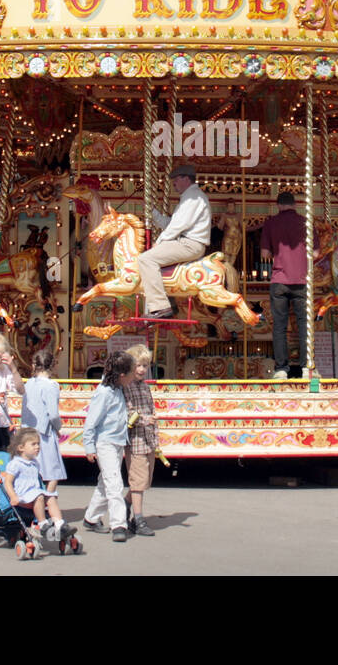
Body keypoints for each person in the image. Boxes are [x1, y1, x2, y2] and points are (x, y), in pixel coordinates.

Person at [139, 164, 211, 320]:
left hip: (189, 244)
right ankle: (168, 302)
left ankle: (160, 307)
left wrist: (160, 241)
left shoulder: (193, 198)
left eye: (176, 180)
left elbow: (179, 226)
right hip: (186, 242)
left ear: (186, 178)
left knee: (146, 259)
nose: (174, 184)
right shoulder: (188, 198)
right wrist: (153, 212)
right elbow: (171, 224)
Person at [82, 351, 136, 542]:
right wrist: (89, 445)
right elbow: (91, 421)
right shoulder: (104, 392)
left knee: (105, 482)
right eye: (131, 372)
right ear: (122, 375)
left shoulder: (118, 388)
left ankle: (91, 517)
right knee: (115, 483)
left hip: (118, 441)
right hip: (105, 442)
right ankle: (118, 524)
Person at [260, 191, 306, 380]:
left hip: (279, 280)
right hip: (302, 281)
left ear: (278, 205)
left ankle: (281, 369)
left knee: (279, 326)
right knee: (304, 325)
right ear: (294, 205)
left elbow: (264, 254)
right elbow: (317, 251)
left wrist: (278, 257)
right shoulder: (305, 222)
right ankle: (305, 367)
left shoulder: (271, 223)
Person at [3, 427, 73, 540]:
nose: (38, 447)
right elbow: (8, 482)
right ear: (21, 448)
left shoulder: (34, 462)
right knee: (40, 496)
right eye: (33, 444)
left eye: (38, 444)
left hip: (34, 494)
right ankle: (42, 524)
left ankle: (59, 523)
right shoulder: (15, 464)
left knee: (51, 497)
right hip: (23, 497)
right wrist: (13, 496)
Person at [21, 349, 67, 512]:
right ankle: (48, 502)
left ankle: (34, 502)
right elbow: (53, 414)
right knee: (53, 472)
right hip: (44, 433)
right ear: (53, 365)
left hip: (28, 432)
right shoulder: (51, 386)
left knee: (33, 471)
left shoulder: (29, 383)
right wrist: (58, 427)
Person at [123, 344, 158, 537]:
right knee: (137, 481)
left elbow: (150, 409)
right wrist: (144, 419)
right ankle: (138, 519)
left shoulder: (145, 387)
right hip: (135, 439)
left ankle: (125, 503)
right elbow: (127, 413)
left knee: (145, 480)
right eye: (138, 365)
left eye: (145, 366)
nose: (142, 369)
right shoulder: (126, 387)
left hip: (148, 439)